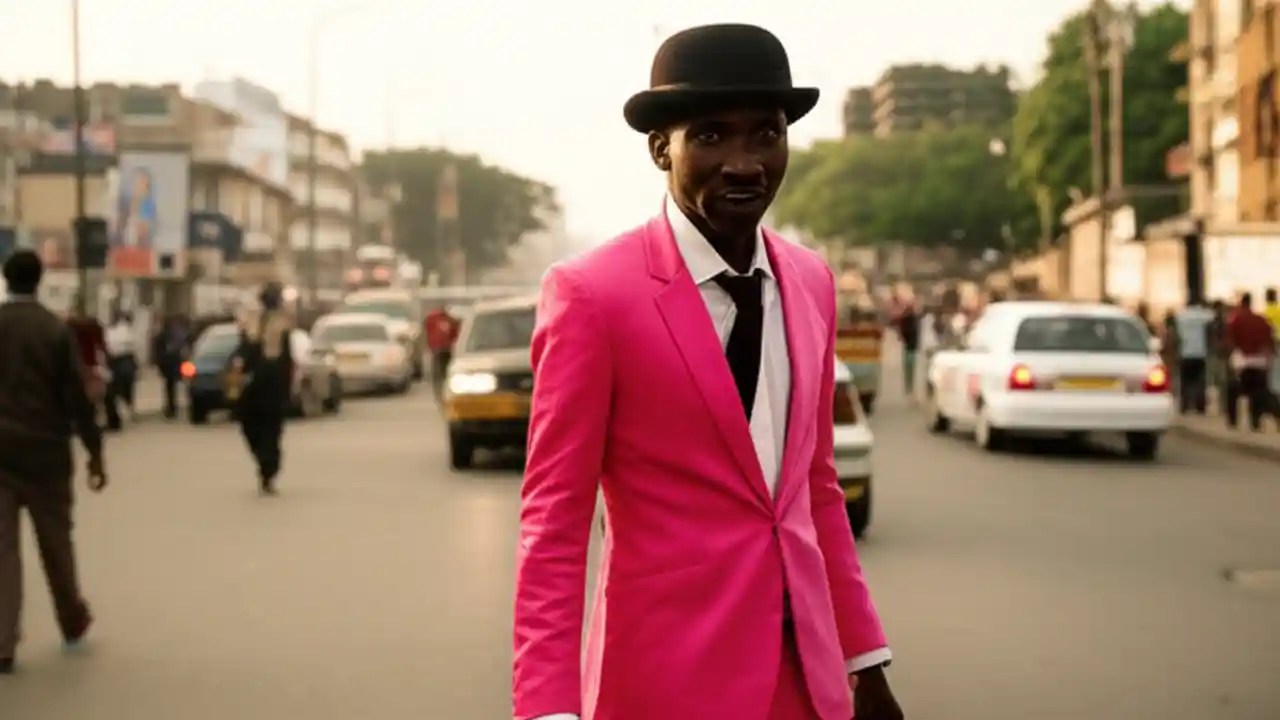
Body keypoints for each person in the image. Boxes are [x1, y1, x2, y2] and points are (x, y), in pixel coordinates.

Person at [512, 25, 901, 720]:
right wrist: (548, 708)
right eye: (713, 136)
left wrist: (864, 662)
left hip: (807, 685)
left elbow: (816, 489)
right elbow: (555, 522)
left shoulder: (810, 281)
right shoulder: (592, 295)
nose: (746, 163)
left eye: (767, 134)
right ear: (662, 147)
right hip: (663, 680)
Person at [0, 251, 106, 675]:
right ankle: (71, 618)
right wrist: (95, 453)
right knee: (56, 544)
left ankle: (3, 640)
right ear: (39, 280)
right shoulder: (54, 331)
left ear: (7, 280)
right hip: (45, 454)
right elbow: (76, 400)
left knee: (3, 550)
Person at [232, 283, 294, 495]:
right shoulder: (250, 320)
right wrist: (239, 364)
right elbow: (242, 349)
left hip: (273, 383)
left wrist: (287, 389)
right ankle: (264, 462)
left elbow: (287, 360)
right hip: (252, 385)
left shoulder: (282, 324)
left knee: (272, 432)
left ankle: (268, 470)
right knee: (249, 426)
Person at [1224, 292, 1280, 431]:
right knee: (1259, 392)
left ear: (1242, 303)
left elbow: (1230, 340)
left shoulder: (1236, 319)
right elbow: (1270, 338)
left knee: (1233, 391)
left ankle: (1233, 421)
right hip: (1261, 362)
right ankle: (1255, 422)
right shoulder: (1261, 319)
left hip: (1243, 364)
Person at [1173, 301, 1214, 415]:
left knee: (1185, 381)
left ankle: (1185, 405)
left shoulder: (1181, 316)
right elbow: (1212, 321)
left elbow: (1176, 335)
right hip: (1200, 353)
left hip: (1185, 352)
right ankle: (1200, 406)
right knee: (1200, 381)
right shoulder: (1204, 315)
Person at [103, 310, 139, 430]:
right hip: (124, 361)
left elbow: (109, 346)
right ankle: (127, 409)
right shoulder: (126, 330)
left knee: (118, 388)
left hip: (118, 361)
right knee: (126, 387)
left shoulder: (114, 331)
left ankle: (124, 410)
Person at [151, 315, 190, 420]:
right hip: (171, 365)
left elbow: (157, 352)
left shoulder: (166, 336)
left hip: (169, 365)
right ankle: (172, 407)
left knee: (170, 387)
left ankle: (171, 408)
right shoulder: (173, 336)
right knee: (172, 387)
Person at [424, 304, 460, 400]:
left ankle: (440, 392)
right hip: (444, 349)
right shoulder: (450, 320)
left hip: (440, 349)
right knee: (443, 372)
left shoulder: (433, 318)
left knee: (440, 372)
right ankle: (442, 392)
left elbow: (428, 333)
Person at [896, 303, 920, 398]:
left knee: (908, 367)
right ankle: (909, 386)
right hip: (911, 346)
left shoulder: (906, 319)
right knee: (910, 367)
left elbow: (902, 332)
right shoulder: (912, 319)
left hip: (908, 346)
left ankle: (908, 386)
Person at [1264, 287, 1280, 395]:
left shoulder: (1264, 312)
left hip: (1269, 342)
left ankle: (1271, 391)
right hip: (1279, 340)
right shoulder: (1278, 310)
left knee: (1270, 368)